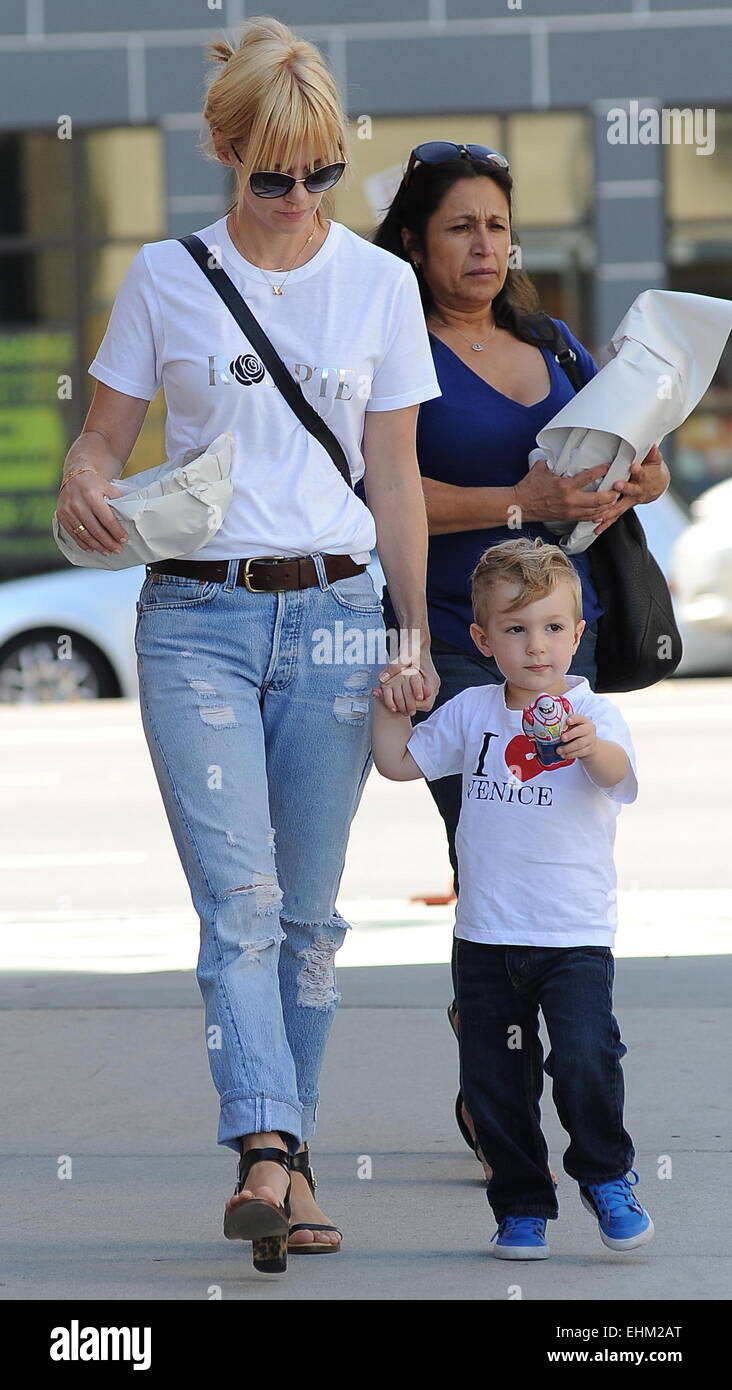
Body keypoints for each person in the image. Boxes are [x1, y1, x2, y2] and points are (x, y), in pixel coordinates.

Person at [54, 16, 441, 1274]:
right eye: (270, 175)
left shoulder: (382, 287)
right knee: (243, 903)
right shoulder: (168, 276)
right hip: (196, 621)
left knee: (314, 917)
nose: (294, 198)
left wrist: (414, 630)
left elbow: (395, 475)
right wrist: (83, 473)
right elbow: (104, 442)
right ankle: (263, 1151)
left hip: (337, 616)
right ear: (227, 153)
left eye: (319, 173)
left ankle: (298, 1150)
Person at [368, 140, 670, 1162]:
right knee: (489, 839)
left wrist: (639, 472)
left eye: (496, 224)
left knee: (552, 830)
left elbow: (635, 460)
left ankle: (526, 1026)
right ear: (414, 240)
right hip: (456, 635)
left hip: (554, 637)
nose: (484, 244)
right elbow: (383, 493)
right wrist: (520, 503)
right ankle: (499, 1042)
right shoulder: (398, 346)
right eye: (459, 225)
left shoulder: (554, 341)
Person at [371, 535, 654, 1259]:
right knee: (496, 1083)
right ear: (482, 638)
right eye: (516, 629)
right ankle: (523, 1204)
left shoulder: (595, 717)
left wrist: (591, 747)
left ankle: (606, 1175)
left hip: (574, 936)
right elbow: (400, 763)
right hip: (488, 937)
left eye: (554, 628)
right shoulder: (472, 713)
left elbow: (621, 775)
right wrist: (388, 702)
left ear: (578, 633)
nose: (537, 647)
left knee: (587, 1058)